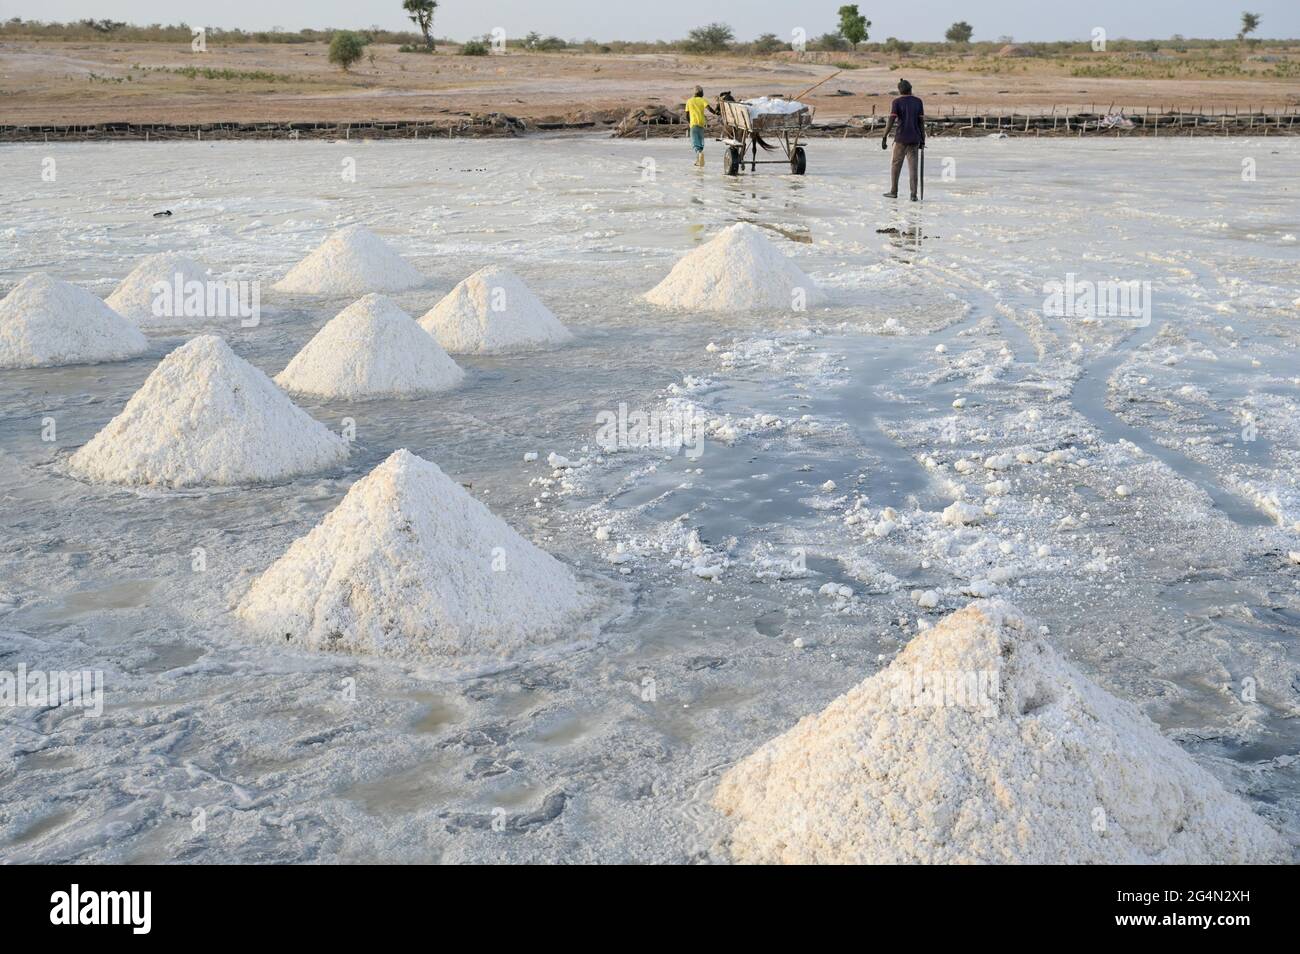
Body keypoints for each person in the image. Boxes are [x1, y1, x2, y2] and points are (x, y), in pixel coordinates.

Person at [881, 79, 924, 200]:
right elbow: (921, 123)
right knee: (913, 168)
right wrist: (923, 140)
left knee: (895, 165)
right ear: (911, 89)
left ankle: (894, 191)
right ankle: (913, 195)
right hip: (915, 139)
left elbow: (891, 121)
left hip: (900, 139)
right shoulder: (918, 102)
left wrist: (884, 136)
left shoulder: (897, 102)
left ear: (900, 91)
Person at [685, 86, 709, 167]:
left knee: (695, 142)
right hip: (701, 124)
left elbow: (686, 115)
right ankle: (698, 160)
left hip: (693, 124)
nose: (703, 94)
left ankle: (699, 155)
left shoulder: (689, 101)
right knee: (700, 141)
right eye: (702, 92)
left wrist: (690, 122)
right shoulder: (703, 100)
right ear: (700, 93)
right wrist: (716, 112)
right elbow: (709, 108)